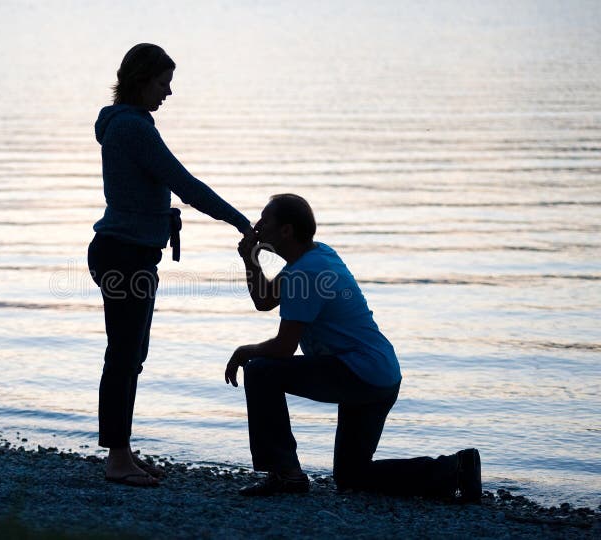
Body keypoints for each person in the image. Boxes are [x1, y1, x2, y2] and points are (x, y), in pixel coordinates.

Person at [225, 194, 482, 502]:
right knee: (352, 476)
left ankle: (285, 474)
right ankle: (456, 469)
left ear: (286, 231)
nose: (257, 225)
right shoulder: (317, 255)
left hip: (357, 372)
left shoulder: (304, 273)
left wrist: (245, 351)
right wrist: (250, 259)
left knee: (261, 370)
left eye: (265, 220)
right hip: (379, 374)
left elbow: (283, 348)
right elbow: (265, 301)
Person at [88, 43, 253, 487]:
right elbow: (185, 183)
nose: (169, 92)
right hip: (124, 255)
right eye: (163, 83)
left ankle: (122, 451)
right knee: (124, 356)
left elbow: (137, 189)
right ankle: (117, 460)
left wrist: (163, 215)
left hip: (127, 250)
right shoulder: (135, 129)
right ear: (141, 80)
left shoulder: (123, 124)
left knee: (131, 355)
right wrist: (241, 222)